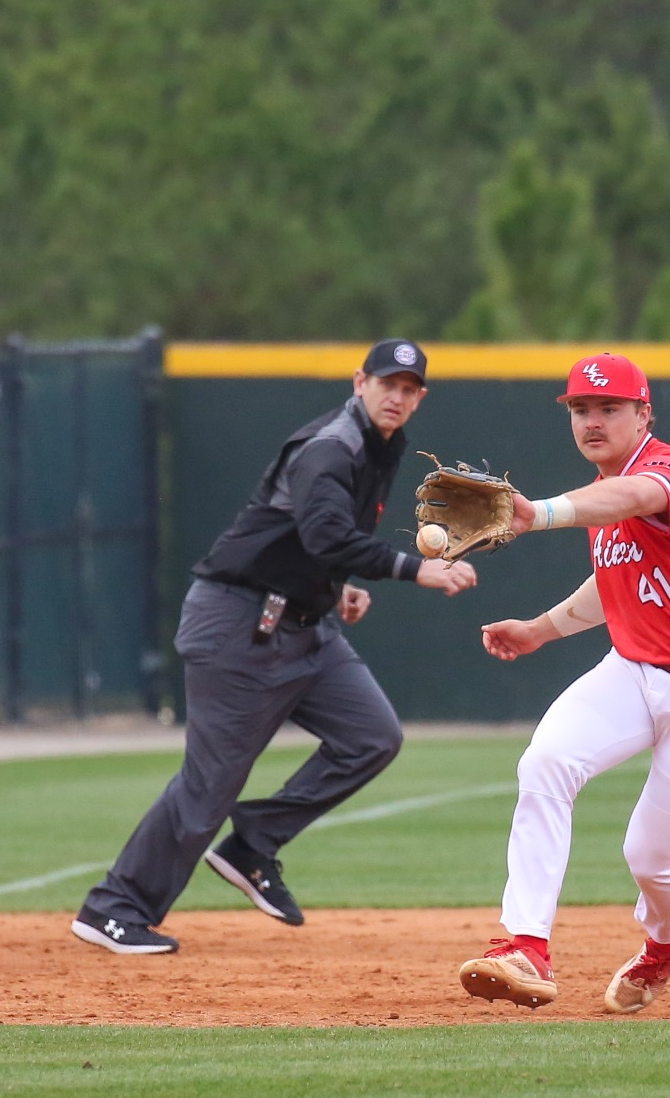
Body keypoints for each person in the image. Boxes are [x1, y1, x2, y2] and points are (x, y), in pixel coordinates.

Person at [73, 338, 475, 954]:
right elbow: (323, 534)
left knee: (372, 737)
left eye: (408, 388)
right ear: (358, 382)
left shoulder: (380, 447)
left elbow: (316, 541)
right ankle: (113, 907)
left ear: (420, 399)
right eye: (386, 383)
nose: (396, 396)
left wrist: (335, 588)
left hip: (305, 627)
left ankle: (253, 843)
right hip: (239, 624)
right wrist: (409, 568)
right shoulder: (328, 447)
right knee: (209, 785)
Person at [461, 352, 670, 1012]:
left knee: (649, 857)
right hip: (635, 671)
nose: (592, 420)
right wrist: (539, 630)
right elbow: (612, 584)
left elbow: (630, 499)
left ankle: (667, 939)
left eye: (609, 408)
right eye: (580, 409)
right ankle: (525, 947)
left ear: (644, 414)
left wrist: (537, 514)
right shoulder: (602, 496)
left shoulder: (666, 474)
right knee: (546, 763)